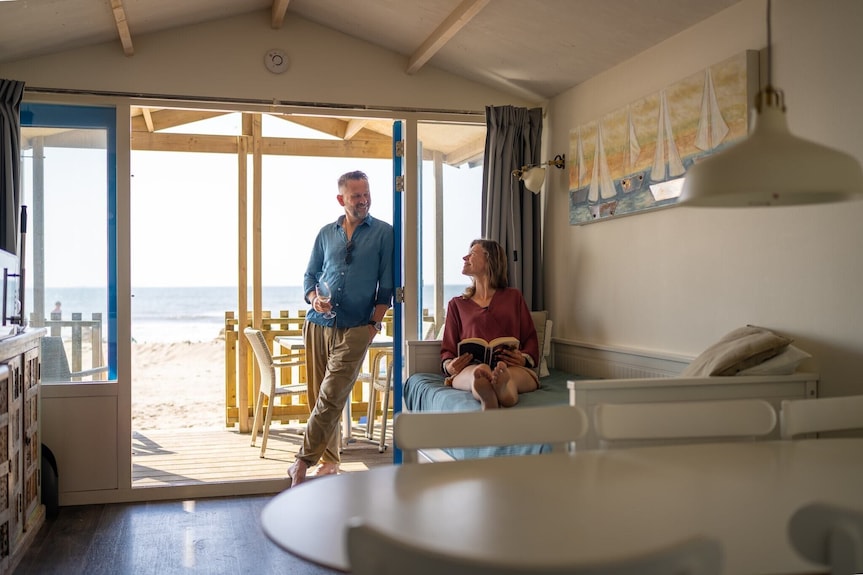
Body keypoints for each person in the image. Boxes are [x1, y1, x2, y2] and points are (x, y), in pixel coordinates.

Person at [288, 170, 394, 488]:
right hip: (318, 324)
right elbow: (309, 277)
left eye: (366, 194)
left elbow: (386, 286)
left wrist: (373, 324)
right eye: (356, 196)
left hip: (357, 326)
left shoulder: (384, 234)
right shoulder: (325, 233)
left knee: (332, 395)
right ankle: (330, 460)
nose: (363, 201)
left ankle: (301, 462)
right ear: (341, 199)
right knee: (318, 395)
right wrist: (313, 299)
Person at [440, 239, 540, 409]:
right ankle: (486, 394)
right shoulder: (457, 304)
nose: (465, 257)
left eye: (472, 254)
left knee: (506, 375)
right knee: (478, 373)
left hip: (510, 367)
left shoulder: (513, 298)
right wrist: (450, 365)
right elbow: (448, 348)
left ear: (489, 260)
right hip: (470, 368)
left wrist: (522, 359)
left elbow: (530, 337)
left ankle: (503, 390)